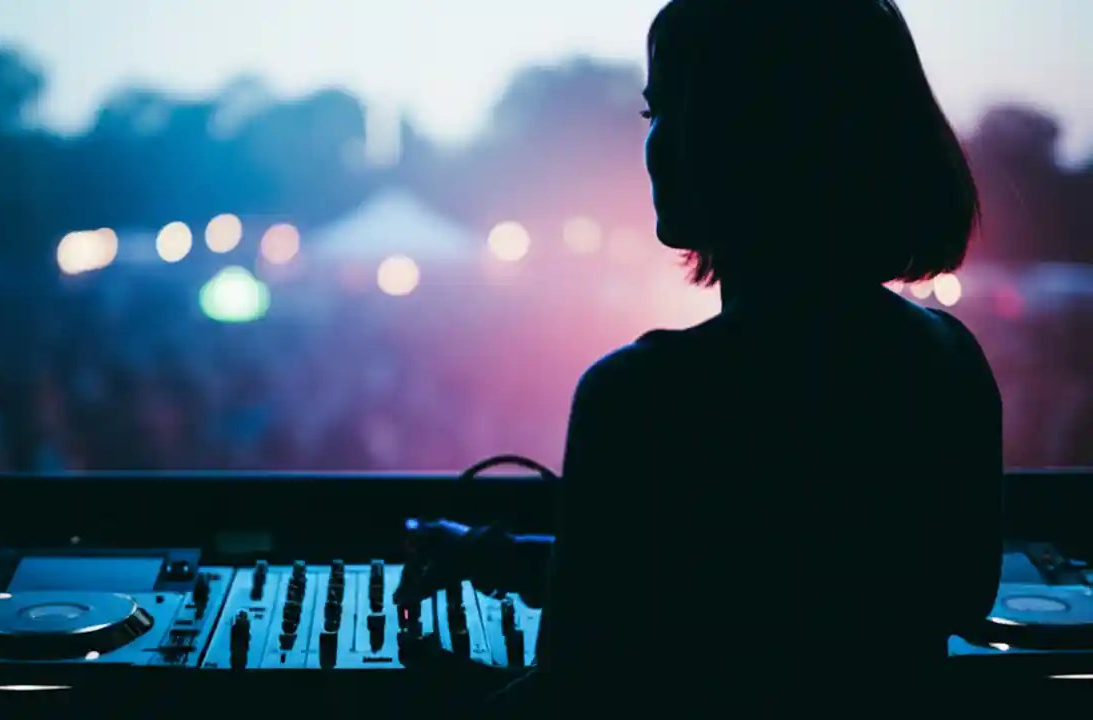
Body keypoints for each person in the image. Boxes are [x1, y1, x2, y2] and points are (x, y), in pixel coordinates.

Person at [395, 0, 1002, 712]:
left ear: (743, 135)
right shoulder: (949, 360)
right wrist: (501, 557)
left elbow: (579, 687)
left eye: (666, 110)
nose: (653, 143)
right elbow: (782, 579)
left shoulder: (643, 396)